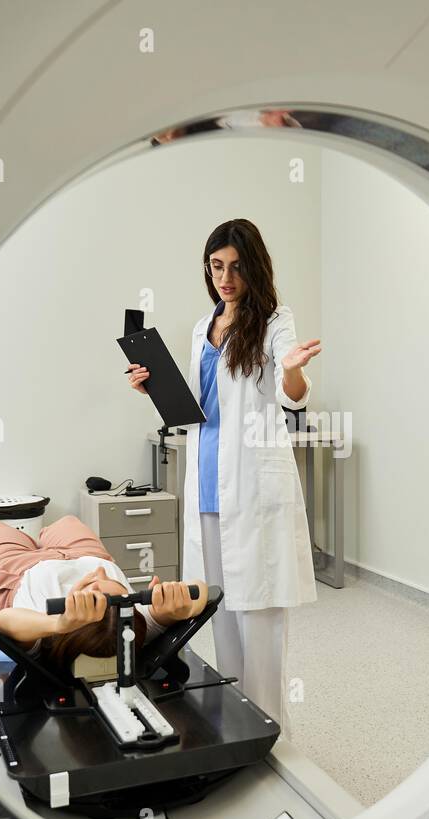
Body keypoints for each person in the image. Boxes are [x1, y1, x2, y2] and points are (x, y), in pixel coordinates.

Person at [126, 219, 321, 734]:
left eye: (236, 267)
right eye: (217, 266)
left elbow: (290, 390)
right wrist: (154, 390)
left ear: (253, 267)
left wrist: (296, 369)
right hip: (207, 484)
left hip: (253, 486)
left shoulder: (276, 321)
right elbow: (194, 407)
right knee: (218, 609)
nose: (225, 277)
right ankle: (237, 723)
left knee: (259, 616)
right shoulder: (201, 327)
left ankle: (269, 731)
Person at [0, 514, 207, 675]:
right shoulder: (132, 623)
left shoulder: (48, 634)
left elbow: (4, 621)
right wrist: (180, 609)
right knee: (66, 521)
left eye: (94, 584)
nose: (100, 573)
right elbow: (203, 590)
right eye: (109, 581)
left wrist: (59, 623)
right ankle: (46, 537)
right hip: (84, 555)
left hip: (15, 572)